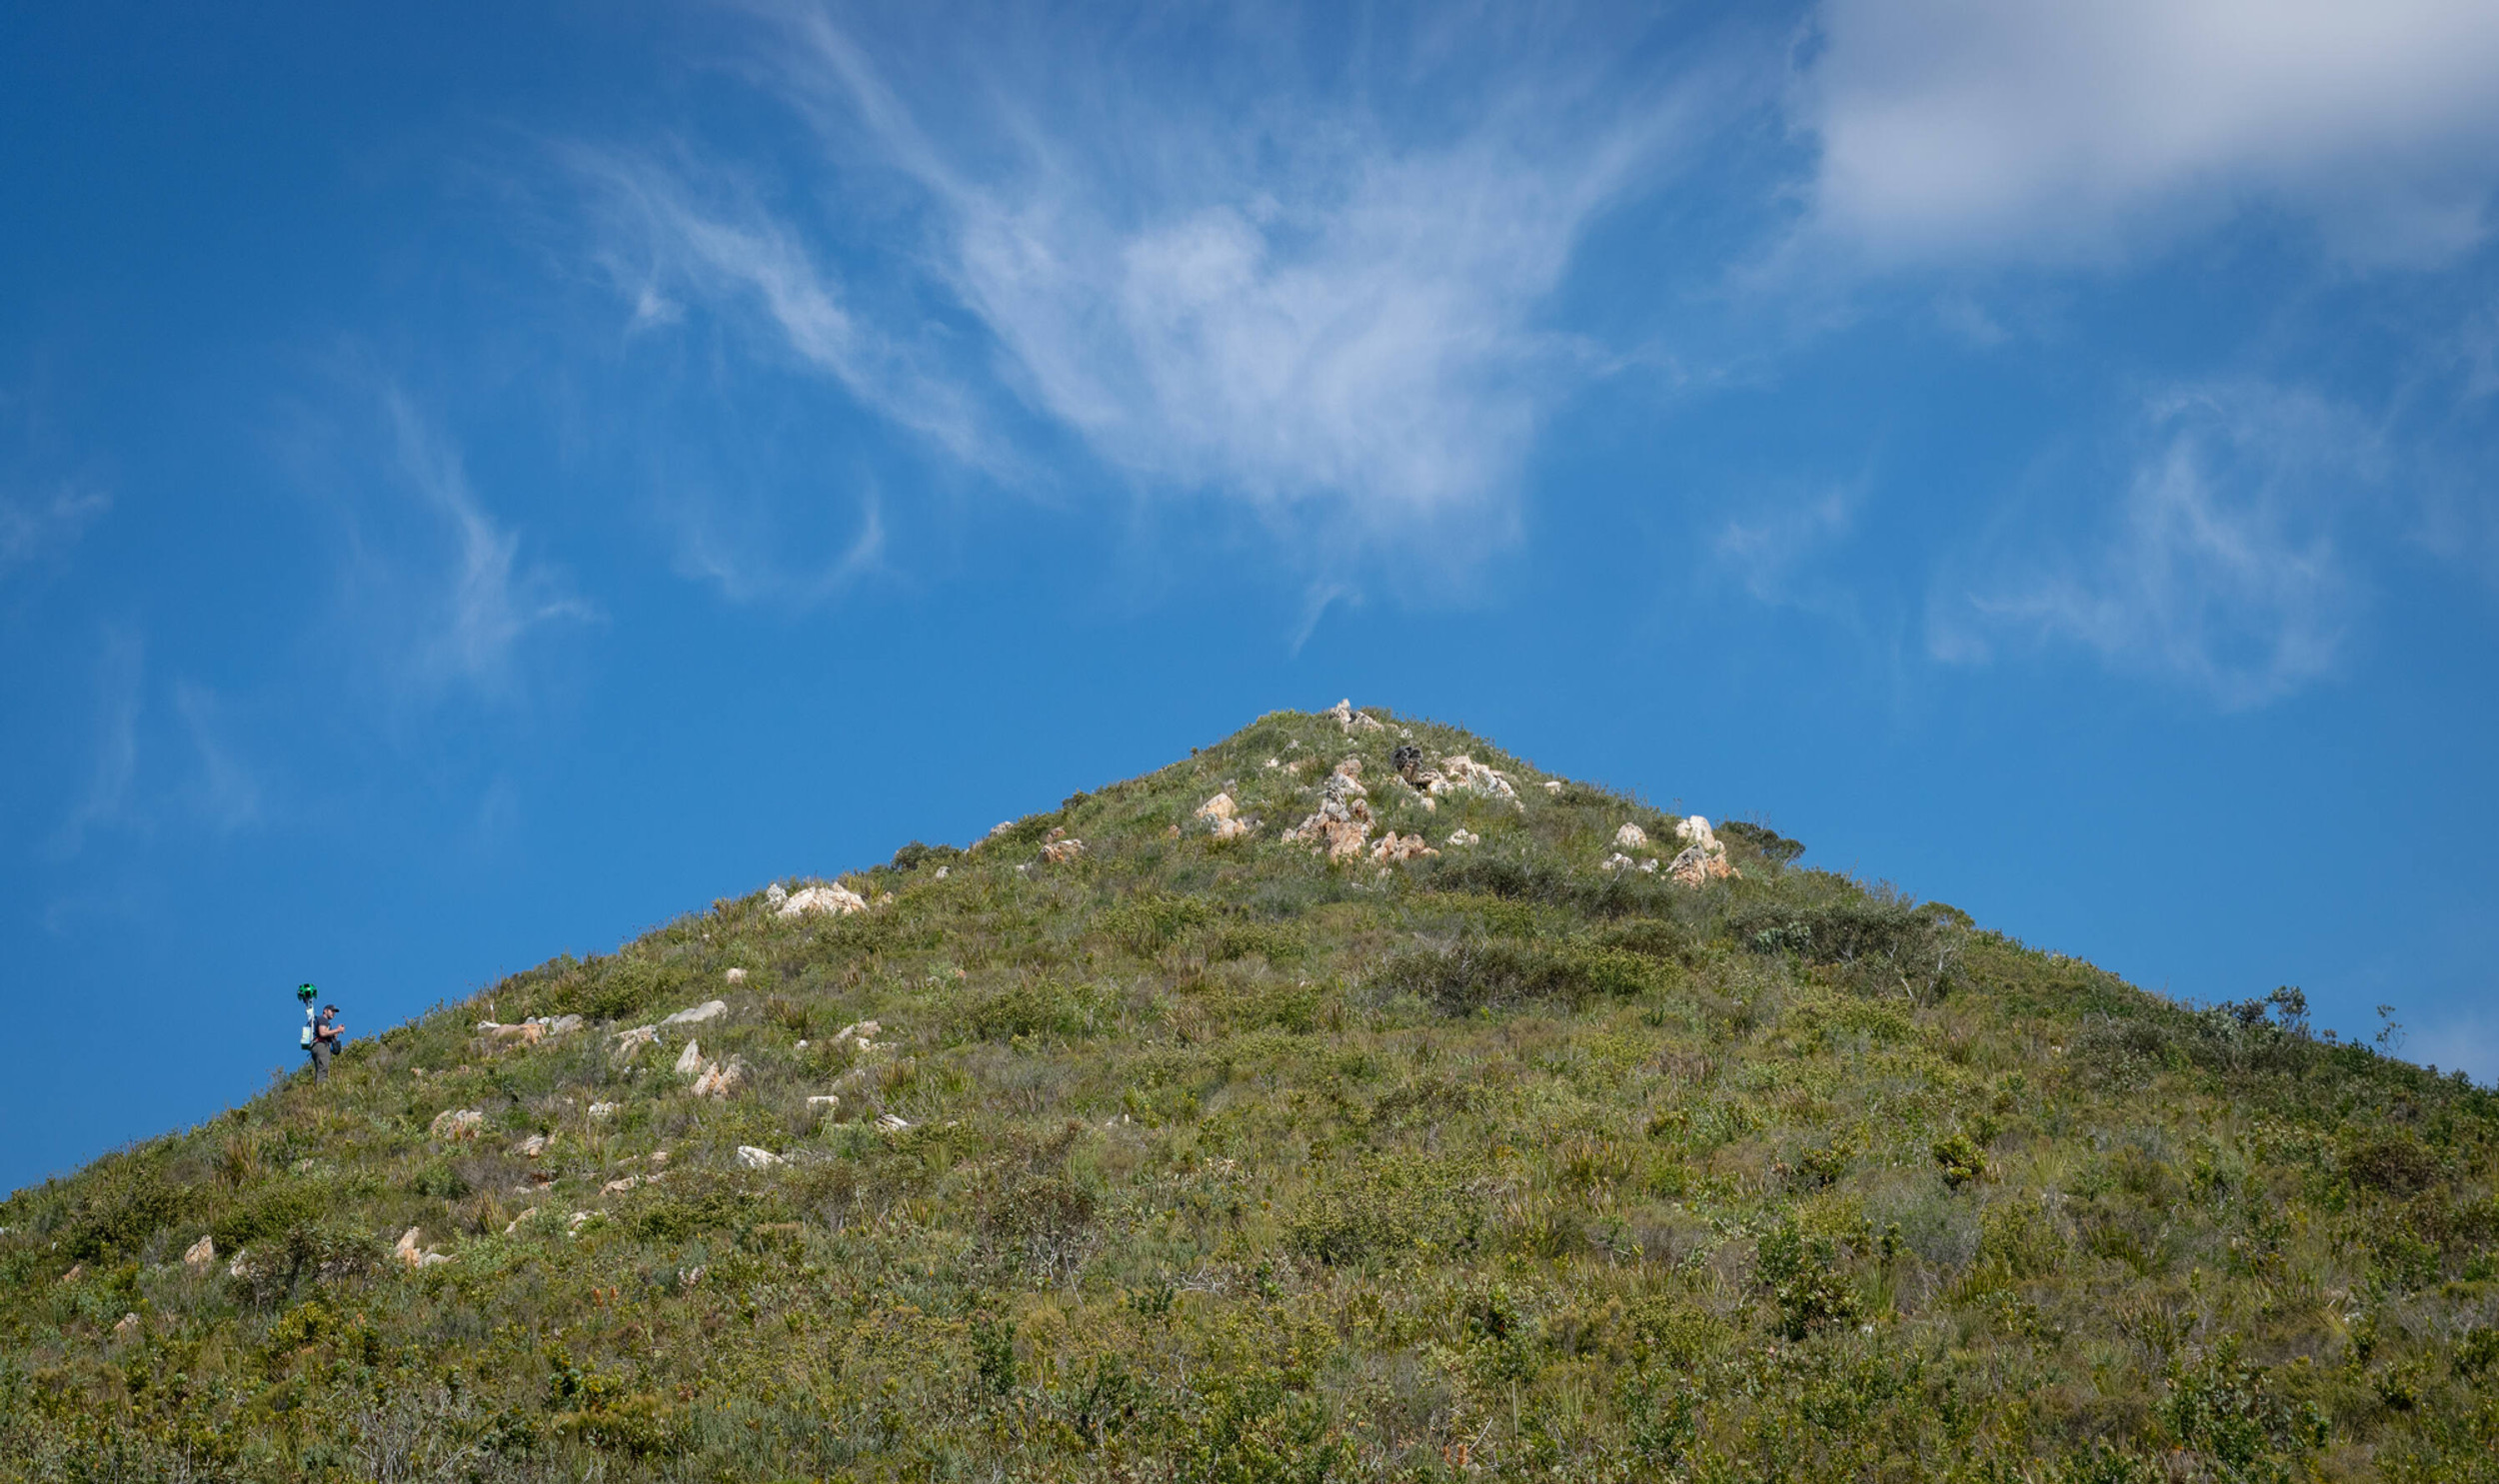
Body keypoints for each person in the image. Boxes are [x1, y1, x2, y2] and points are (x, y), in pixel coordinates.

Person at [310, 1002, 345, 1083]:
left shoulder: (325, 1021)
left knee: (321, 1069)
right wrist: (338, 1030)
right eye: (332, 1011)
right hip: (321, 1046)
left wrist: (335, 1033)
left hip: (319, 1046)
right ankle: (321, 1090)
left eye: (334, 1012)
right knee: (323, 1070)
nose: (333, 1013)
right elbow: (322, 1033)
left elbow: (326, 1034)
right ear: (325, 1011)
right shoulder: (323, 1019)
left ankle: (319, 1088)